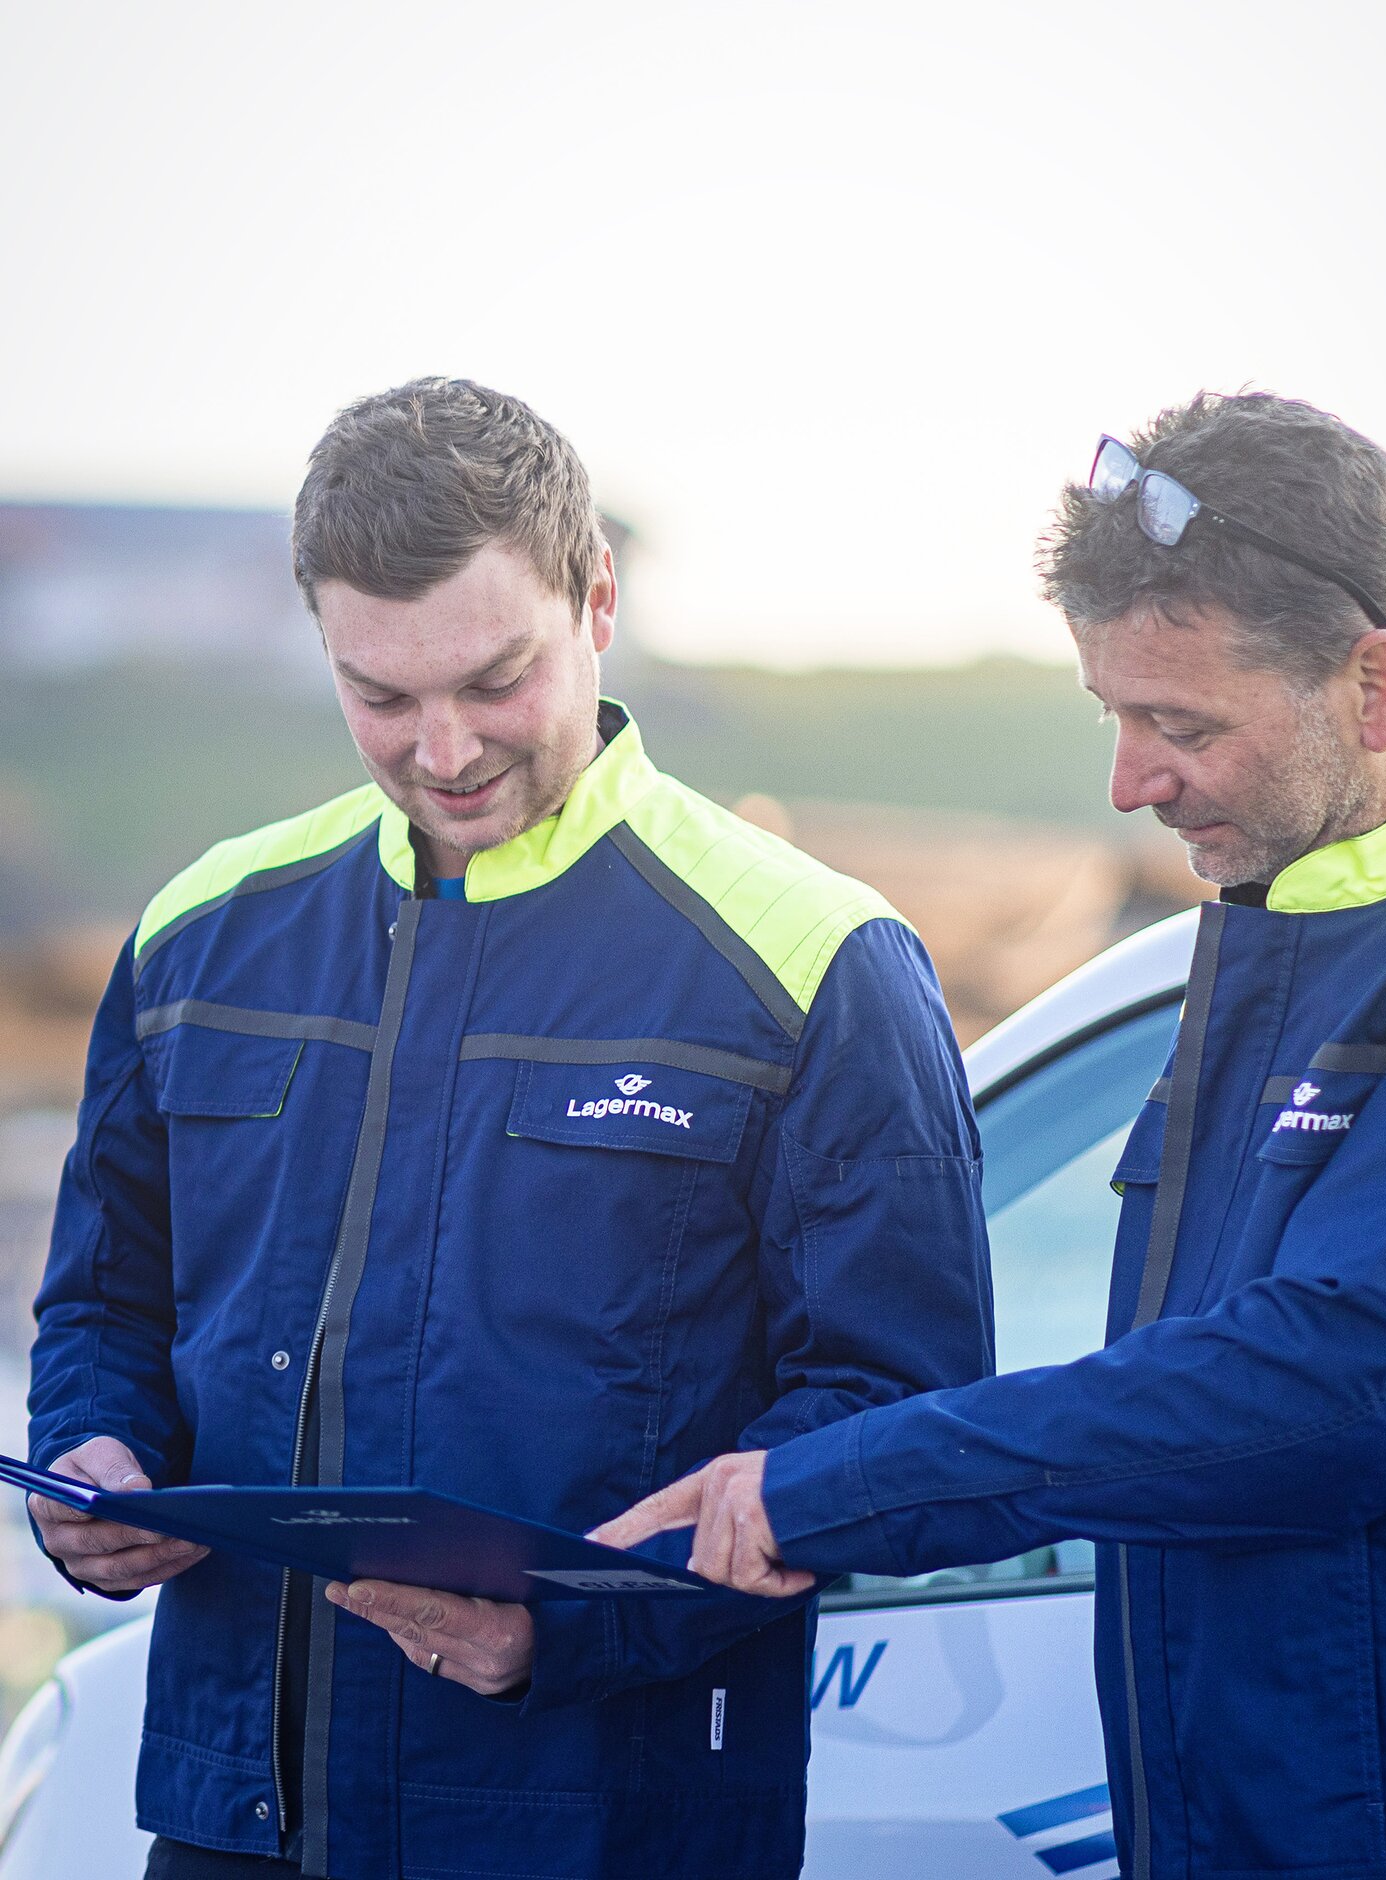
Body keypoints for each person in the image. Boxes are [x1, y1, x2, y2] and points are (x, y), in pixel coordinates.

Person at [599, 392, 1386, 1878]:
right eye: (1114, 717)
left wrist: (826, 1489)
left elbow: (1331, 1387)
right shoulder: (1289, 918)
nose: (1129, 783)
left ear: (1377, 687)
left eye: (1180, 725)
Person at [26, 377, 993, 1880]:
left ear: (596, 598)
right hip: (234, 1818)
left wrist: (575, 1628)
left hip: (603, 1818)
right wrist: (91, 1457)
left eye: (495, 680)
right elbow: (103, 1301)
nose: (444, 749)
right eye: (380, 696)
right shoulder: (200, 936)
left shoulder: (814, 961)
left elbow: (893, 1405)